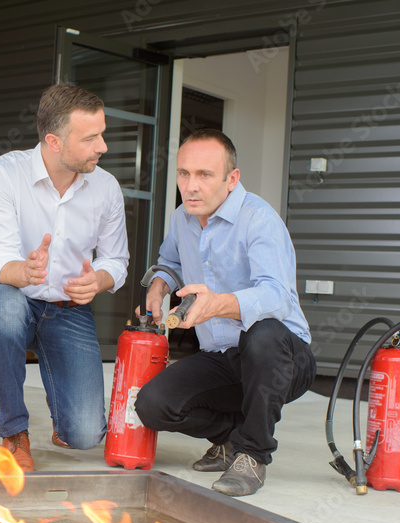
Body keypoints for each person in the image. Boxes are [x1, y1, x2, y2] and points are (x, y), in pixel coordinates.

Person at [135, 129, 316, 497]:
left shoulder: (259, 220)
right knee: (153, 405)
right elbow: (169, 261)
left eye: (204, 175)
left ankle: (252, 454)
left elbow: (278, 297)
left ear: (232, 179)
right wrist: (158, 285)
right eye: (184, 174)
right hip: (221, 356)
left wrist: (219, 303)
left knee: (261, 332)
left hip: (281, 358)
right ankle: (231, 440)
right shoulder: (180, 219)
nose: (191, 186)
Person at [0, 84, 129, 472]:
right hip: (14, 297)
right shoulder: (4, 175)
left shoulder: (106, 188)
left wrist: (100, 281)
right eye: (90, 138)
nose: (103, 146)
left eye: (102, 133)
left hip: (67, 310)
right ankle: (13, 434)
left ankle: (65, 410)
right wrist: (23, 272)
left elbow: (116, 260)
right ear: (54, 141)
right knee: (3, 305)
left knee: (86, 435)